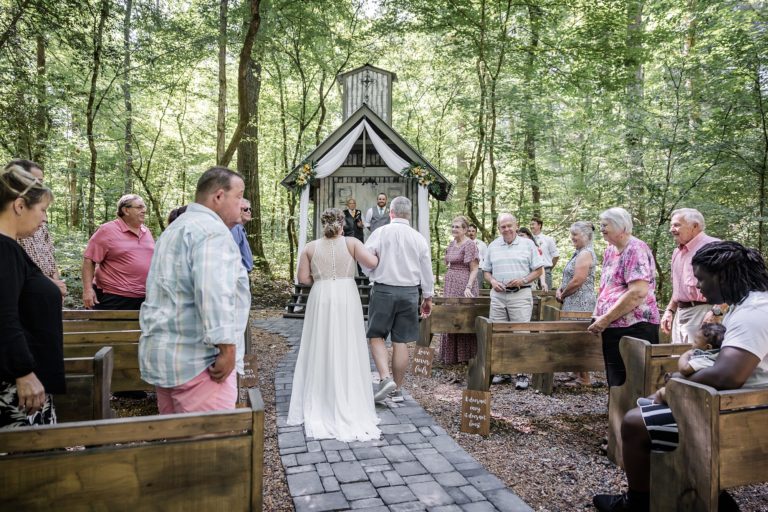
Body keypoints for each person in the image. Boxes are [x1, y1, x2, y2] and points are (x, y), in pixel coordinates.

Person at [593, 241, 768, 512]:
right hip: (743, 405)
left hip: (741, 416)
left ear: (721, 276)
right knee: (650, 410)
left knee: (635, 422)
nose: (698, 286)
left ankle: (637, 504)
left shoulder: (753, 313)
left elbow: (727, 376)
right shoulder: (749, 303)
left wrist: (672, 389)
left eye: (701, 279)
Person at [139, 166, 250, 414]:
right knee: (210, 447)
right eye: (239, 196)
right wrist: (227, 348)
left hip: (168, 358)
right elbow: (213, 292)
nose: (242, 204)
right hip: (200, 364)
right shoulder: (212, 232)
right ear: (219, 196)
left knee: (179, 446)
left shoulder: (175, 229)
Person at [287, 208, 381, 441]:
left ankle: (321, 396)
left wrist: (321, 277)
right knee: (346, 343)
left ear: (322, 224)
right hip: (346, 296)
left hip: (321, 296)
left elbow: (303, 279)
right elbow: (373, 263)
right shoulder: (352, 243)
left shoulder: (309, 247)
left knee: (320, 344)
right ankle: (348, 397)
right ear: (342, 224)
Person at [0, 163, 63, 428]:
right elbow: (4, 316)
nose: (45, 218)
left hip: (22, 381)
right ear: (19, 205)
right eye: (43, 210)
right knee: (31, 466)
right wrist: (24, 372)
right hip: (16, 387)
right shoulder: (4, 249)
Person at [364, 196, 434, 403]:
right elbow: (426, 270)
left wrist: (371, 272)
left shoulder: (380, 233)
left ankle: (386, 379)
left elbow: (366, 258)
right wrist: (428, 296)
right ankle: (398, 389)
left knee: (376, 335)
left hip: (384, 290)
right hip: (410, 293)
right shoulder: (418, 238)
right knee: (400, 340)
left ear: (391, 213)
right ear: (409, 214)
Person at [588, 207, 659, 388]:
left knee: (636, 382)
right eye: (601, 224)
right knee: (616, 379)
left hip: (636, 327)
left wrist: (606, 318)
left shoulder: (636, 249)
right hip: (613, 325)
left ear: (621, 227)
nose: (602, 229)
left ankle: (638, 416)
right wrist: (599, 314)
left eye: (605, 225)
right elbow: (607, 287)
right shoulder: (610, 250)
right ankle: (617, 416)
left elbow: (637, 293)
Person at [482, 213, 544, 388]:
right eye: (503, 226)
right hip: (498, 296)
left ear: (516, 226)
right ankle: (504, 372)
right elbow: (486, 271)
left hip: (520, 293)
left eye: (510, 225)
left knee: (521, 334)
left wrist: (523, 280)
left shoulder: (528, 244)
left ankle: (522, 374)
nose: (507, 229)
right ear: (498, 228)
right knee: (499, 334)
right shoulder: (493, 246)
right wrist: (493, 281)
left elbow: (538, 270)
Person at [660, 208, 722, 344]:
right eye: (671, 225)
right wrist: (670, 310)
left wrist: (716, 312)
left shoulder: (713, 246)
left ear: (695, 226)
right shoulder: (677, 251)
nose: (671, 229)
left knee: (699, 361)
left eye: (676, 225)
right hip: (680, 315)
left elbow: (729, 283)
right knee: (677, 360)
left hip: (704, 311)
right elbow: (678, 288)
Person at [82, 194, 155, 310]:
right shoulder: (107, 230)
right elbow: (89, 259)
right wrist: (87, 290)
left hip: (144, 298)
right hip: (113, 296)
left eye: (144, 207)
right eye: (139, 207)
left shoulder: (146, 232)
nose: (144, 210)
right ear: (126, 210)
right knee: (106, 328)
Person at [13, 159, 66, 297]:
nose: (39, 186)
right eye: (35, 181)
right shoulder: (12, 219)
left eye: (41, 181)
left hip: (47, 288)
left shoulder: (39, 216)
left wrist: (56, 284)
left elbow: (49, 256)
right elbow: (18, 268)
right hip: (27, 291)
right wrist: (48, 285)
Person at [556, 221, 597, 386]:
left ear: (586, 236)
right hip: (572, 300)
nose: (572, 238)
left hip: (581, 302)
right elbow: (568, 276)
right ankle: (576, 372)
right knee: (572, 336)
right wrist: (560, 289)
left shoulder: (586, 253)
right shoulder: (578, 252)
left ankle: (585, 377)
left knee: (580, 337)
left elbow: (578, 280)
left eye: (575, 235)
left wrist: (563, 293)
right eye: (571, 234)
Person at [437, 215, 480, 365]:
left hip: (464, 284)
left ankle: (465, 357)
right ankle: (451, 356)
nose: (454, 229)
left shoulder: (470, 245)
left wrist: (468, 287)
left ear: (465, 229)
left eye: (457, 227)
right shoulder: (451, 243)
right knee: (449, 315)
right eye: (453, 226)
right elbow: (449, 263)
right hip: (450, 284)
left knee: (462, 317)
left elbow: (474, 269)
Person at [530, 216, 559, 290]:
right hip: (532, 272)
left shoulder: (548, 239)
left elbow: (556, 256)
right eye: (530, 225)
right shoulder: (528, 240)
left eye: (533, 224)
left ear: (539, 225)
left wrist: (549, 268)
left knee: (546, 296)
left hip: (546, 271)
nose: (531, 226)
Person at [517, 226, 548, 291]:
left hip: (529, 284)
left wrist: (543, 282)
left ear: (529, 236)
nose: (520, 238)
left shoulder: (535, 249)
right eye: (518, 236)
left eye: (522, 235)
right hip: (515, 285)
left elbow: (540, 267)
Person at [231, 198, 254, 272]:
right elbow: (232, 254)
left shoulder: (240, 229)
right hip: (238, 275)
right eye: (245, 209)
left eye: (250, 209)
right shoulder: (235, 228)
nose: (249, 211)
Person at [467, 223, 487, 290]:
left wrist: (484, 271)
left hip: (478, 270)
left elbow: (486, 258)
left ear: (476, 232)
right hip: (466, 270)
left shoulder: (482, 244)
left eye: (473, 231)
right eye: (469, 231)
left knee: (478, 290)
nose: (471, 233)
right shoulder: (463, 243)